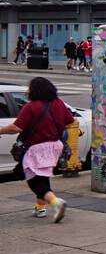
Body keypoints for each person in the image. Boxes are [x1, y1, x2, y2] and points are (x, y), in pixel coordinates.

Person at [0, 76, 72, 221]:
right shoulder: (58, 103)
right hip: (55, 146)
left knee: (33, 180)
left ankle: (56, 202)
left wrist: (1, 130)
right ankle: (40, 209)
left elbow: (16, 127)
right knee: (42, 176)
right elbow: (70, 122)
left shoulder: (31, 106)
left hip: (37, 148)